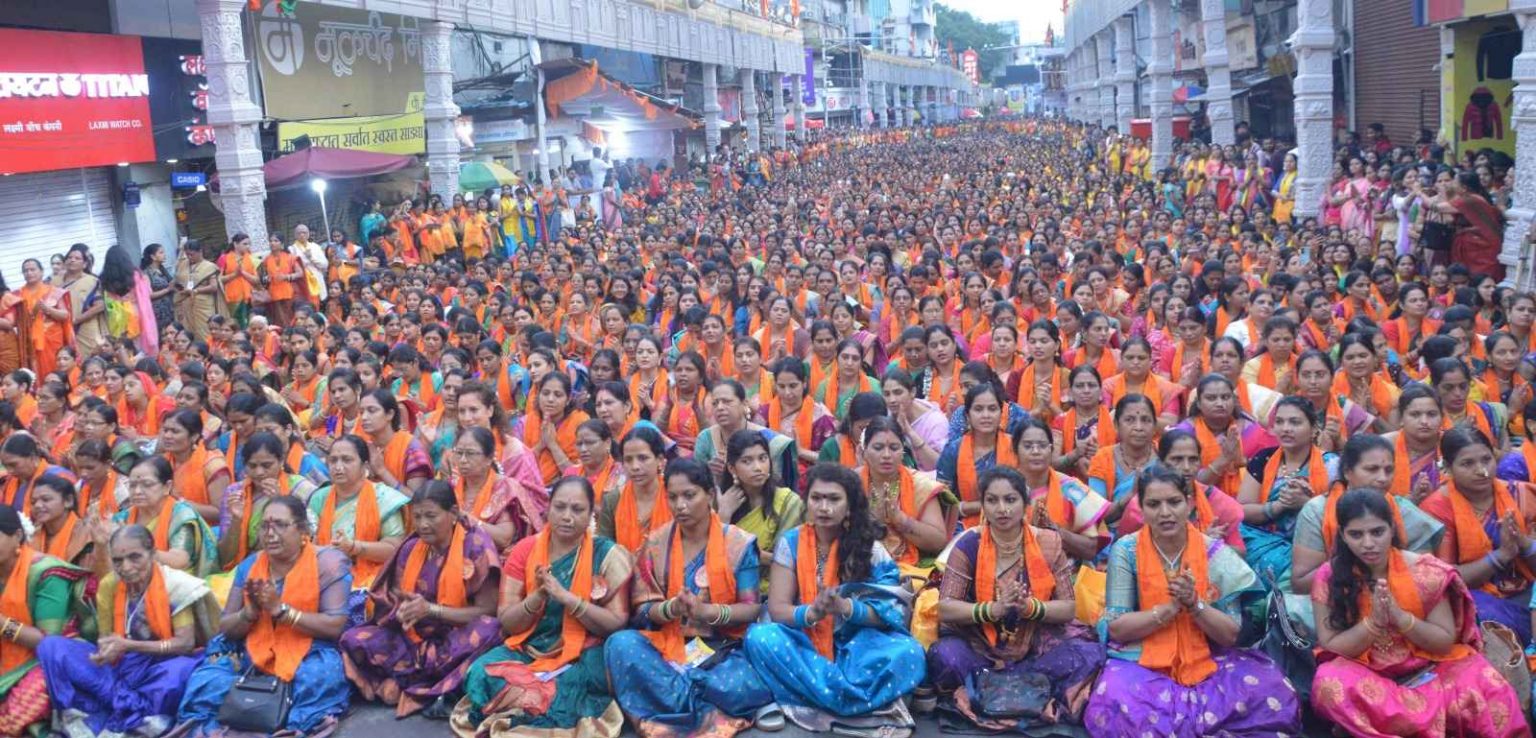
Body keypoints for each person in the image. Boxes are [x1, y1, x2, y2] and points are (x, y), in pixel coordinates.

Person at [1084, 465, 1301, 737]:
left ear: (1188, 504)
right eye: (1154, 504)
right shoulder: (1126, 550)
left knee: (1271, 689)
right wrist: (1169, 609)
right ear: (1142, 508)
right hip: (1140, 655)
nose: (1165, 512)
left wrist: (1194, 604)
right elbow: (1118, 627)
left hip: (1208, 653)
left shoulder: (1214, 553)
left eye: (1174, 502)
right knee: (1115, 697)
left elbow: (1230, 634)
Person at [1309, 489, 1527, 737]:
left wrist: (1401, 618)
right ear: (1342, 535)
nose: (1368, 543)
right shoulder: (1329, 577)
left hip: (1431, 671)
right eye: (1356, 534)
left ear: (1392, 528)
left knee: (1487, 682)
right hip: (1369, 677)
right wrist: (1373, 624)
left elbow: (1444, 641)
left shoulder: (1426, 572)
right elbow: (1331, 645)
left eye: (1377, 532)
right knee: (1329, 684)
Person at [741, 463, 925, 731]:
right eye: (816, 498)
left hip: (858, 643)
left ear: (849, 506)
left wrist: (845, 607)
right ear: (807, 502)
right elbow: (778, 609)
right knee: (759, 638)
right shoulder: (790, 543)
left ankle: (815, 695)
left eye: (834, 499)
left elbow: (890, 612)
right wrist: (812, 613)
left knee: (910, 652)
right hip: (804, 640)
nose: (824, 507)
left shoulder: (869, 548)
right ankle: (855, 700)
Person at [928, 466, 1107, 733]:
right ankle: (1024, 690)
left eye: (1010, 500)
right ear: (983, 506)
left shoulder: (1048, 542)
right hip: (980, 646)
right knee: (945, 656)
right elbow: (946, 608)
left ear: (1025, 504)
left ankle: (997, 691)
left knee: (1086, 654)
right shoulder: (968, 544)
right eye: (992, 500)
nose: (1002, 509)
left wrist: (1030, 607)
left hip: (1036, 644)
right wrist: (992, 610)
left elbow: (1068, 608)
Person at [604, 458, 774, 736]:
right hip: (668, 645)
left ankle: (671, 698)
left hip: (721, 649)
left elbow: (751, 608)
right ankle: (702, 705)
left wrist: (708, 612)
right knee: (620, 644)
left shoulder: (739, 543)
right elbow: (642, 608)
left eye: (689, 495)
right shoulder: (656, 543)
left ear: (710, 495)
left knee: (742, 684)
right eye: (672, 497)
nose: (680, 505)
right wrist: (670, 609)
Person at [454, 476, 633, 737]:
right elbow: (507, 620)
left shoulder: (607, 554)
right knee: (480, 673)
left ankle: (527, 707)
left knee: (569, 688)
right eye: (560, 507)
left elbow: (616, 623)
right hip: (530, 650)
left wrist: (568, 599)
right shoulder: (525, 550)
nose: (567, 517)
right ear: (548, 508)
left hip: (582, 654)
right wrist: (537, 597)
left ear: (590, 514)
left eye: (577, 509)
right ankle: (529, 705)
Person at [173, 495, 352, 736]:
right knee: (208, 681)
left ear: (302, 530)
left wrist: (282, 611)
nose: (270, 533)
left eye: (280, 525)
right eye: (264, 526)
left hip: (308, 650)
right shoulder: (250, 565)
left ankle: (289, 725)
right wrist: (249, 613)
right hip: (253, 649)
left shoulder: (329, 562)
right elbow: (225, 626)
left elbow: (334, 625)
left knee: (319, 677)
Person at [35, 525, 217, 738]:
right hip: (120, 666)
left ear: (152, 553)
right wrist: (105, 652)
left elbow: (184, 644)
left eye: (135, 557)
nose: (126, 567)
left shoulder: (175, 586)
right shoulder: (109, 585)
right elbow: (106, 638)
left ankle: (113, 708)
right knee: (51, 646)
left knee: (180, 672)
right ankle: (128, 708)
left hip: (160, 666)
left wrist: (130, 645)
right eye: (118, 561)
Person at [341, 481, 502, 718]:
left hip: (455, 639)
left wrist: (432, 610)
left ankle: (408, 682)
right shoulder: (410, 548)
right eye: (417, 517)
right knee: (353, 639)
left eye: (431, 516)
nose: (423, 524)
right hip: (413, 639)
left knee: (490, 629)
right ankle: (430, 684)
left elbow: (488, 610)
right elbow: (393, 600)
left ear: (453, 513)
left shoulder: (475, 545)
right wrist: (401, 611)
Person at [1417, 426, 1536, 642]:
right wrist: (1501, 556)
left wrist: (1524, 543)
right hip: (1480, 597)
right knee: (1477, 613)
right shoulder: (1437, 509)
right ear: (1448, 468)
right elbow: (1446, 579)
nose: (1482, 470)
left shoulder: (1522, 494)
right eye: (1467, 464)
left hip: (1528, 589)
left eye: (1486, 460)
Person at [0, 504, 91, 737]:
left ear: (17, 536)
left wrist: (2, 624)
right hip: (8, 651)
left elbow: (48, 641)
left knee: (12, 716)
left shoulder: (46, 573)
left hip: (52, 657)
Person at [1235, 396, 1339, 588]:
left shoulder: (1331, 465)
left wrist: (1306, 504)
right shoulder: (1264, 459)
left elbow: (1342, 514)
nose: (1286, 428)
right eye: (1280, 422)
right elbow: (1242, 510)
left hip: (1311, 547)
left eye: (1295, 422)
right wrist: (1278, 506)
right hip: (1264, 540)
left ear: (1314, 429)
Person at [308, 434, 409, 604]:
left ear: (365, 466)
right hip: (323, 573)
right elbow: (309, 541)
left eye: (347, 460)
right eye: (333, 460)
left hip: (371, 579)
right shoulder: (319, 498)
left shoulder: (384, 499)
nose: (338, 467)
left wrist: (354, 547)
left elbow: (394, 549)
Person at [217, 432, 322, 571]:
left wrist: (281, 502)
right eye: (252, 466)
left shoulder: (301, 489)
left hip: (292, 567)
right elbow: (224, 557)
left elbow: (312, 539)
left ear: (281, 461)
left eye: (266, 465)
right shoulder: (235, 493)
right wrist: (236, 521)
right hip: (244, 568)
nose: (259, 472)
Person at [113, 456, 219, 577]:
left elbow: (180, 561)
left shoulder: (181, 516)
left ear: (167, 487)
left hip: (176, 580)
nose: (137, 491)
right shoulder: (122, 518)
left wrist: (141, 549)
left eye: (147, 484)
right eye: (132, 485)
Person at [597, 426, 671, 552]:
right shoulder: (613, 500)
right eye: (628, 460)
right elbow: (604, 551)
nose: (635, 466)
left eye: (643, 458)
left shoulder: (674, 496)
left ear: (660, 460)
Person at [11, 258, 72, 379]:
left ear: (42, 271)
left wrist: (48, 309)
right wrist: (32, 314)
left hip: (52, 339)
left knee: (56, 371)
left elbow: (65, 315)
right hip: (29, 341)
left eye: (32, 269)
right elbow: (13, 322)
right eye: (25, 271)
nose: (29, 273)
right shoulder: (17, 295)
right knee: (35, 374)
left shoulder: (53, 292)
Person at [171, 240, 221, 341]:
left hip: (203, 305)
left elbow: (214, 287)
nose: (189, 257)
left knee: (205, 332)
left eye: (192, 254)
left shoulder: (209, 266)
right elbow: (177, 280)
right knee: (186, 332)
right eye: (187, 255)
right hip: (184, 303)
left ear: (200, 251)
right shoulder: (182, 264)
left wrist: (196, 291)